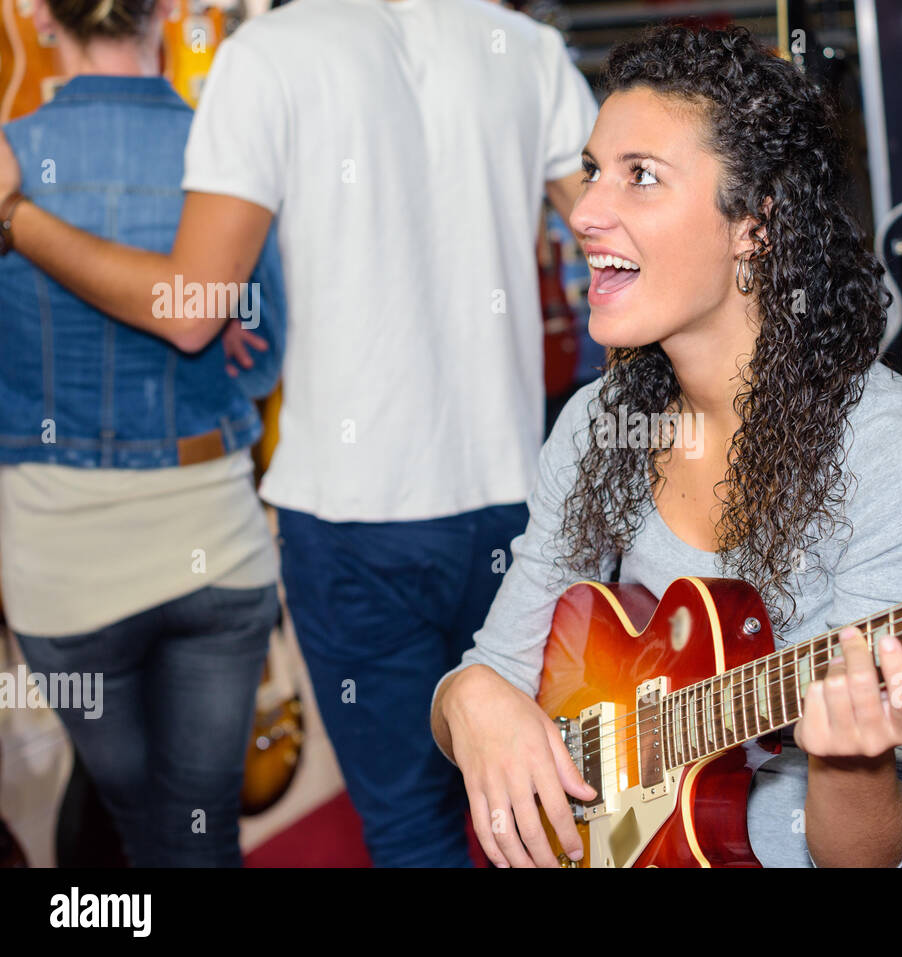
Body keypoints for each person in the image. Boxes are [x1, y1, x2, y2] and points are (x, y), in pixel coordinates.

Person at [0, 0, 598, 866]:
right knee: (558, 809)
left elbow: (194, 307)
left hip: (353, 514)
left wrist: (15, 217)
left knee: (414, 828)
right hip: (519, 506)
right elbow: (619, 236)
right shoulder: (525, 47)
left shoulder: (269, 53)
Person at [430, 24, 902, 868]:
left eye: (641, 176)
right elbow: (496, 674)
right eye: (592, 171)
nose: (585, 212)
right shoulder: (599, 422)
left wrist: (851, 761)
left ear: (753, 223)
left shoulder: (896, 451)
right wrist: (467, 694)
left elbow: (869, 854)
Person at [0, 0, 286, 866]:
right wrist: (216, 322)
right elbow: (266, 362)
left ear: (39, 17)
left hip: (61, 561)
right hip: (216, 546)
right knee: (203, 828)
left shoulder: (11, 162)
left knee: (139, 824)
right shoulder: (223, 152)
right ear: (165, 10)